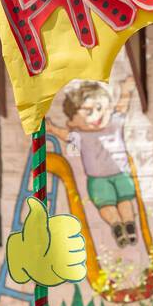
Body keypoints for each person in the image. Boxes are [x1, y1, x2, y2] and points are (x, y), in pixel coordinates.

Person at [49, 79, 139, 248]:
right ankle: (117, 224)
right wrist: (53, 129)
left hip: (120, 174)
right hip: (98, 179)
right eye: (88, 111)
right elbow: (66, 136)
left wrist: (126, 89)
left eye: (100, 108)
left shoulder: (113, 124)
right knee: (106, 204)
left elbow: (121, 107)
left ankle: (128, 223)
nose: (97, 116)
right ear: (72, 122)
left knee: (124, 201)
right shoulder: (78, 134)